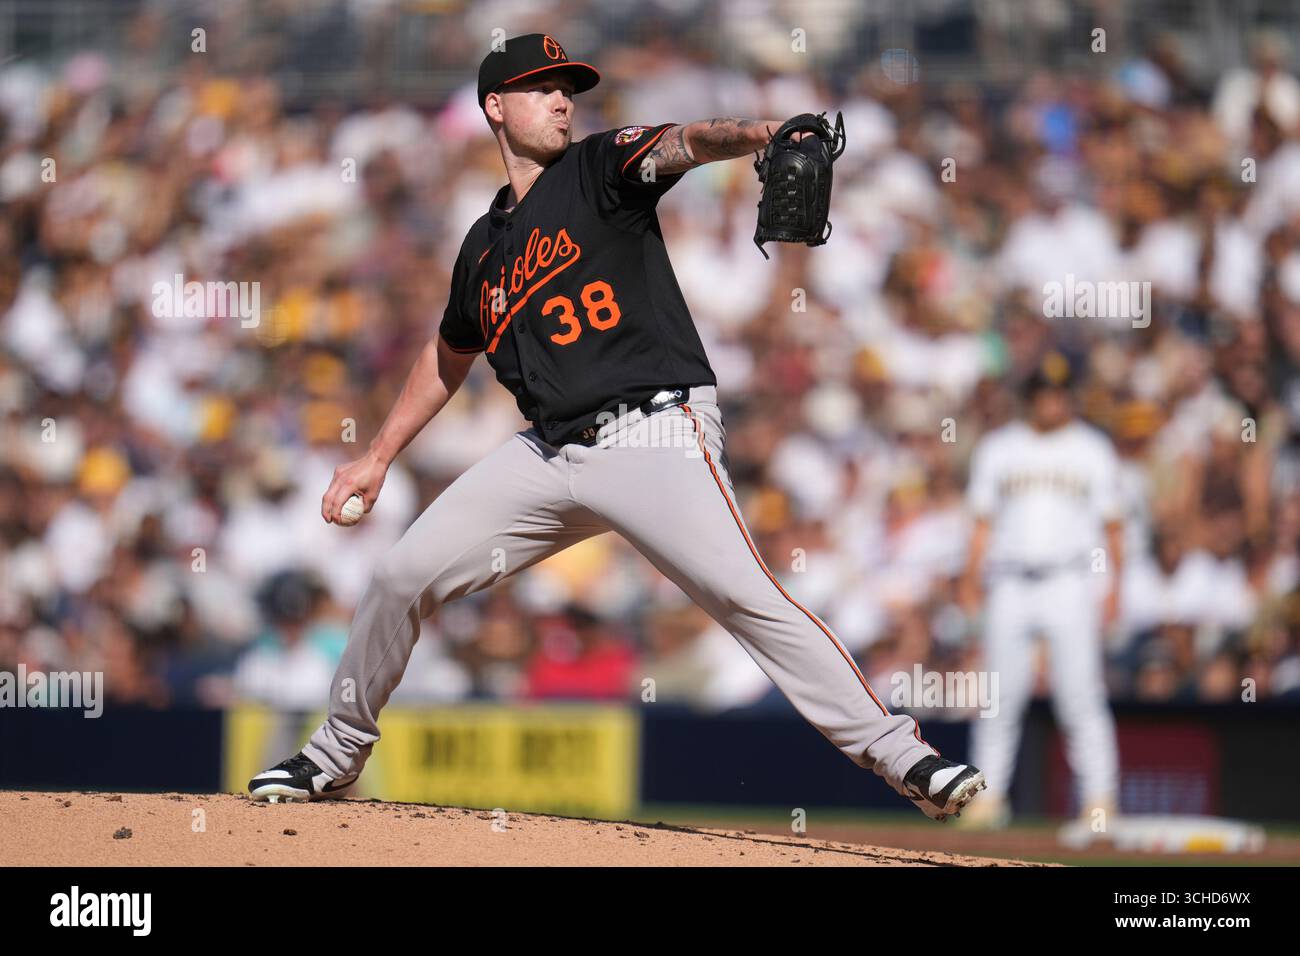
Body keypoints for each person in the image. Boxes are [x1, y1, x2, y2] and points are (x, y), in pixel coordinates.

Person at [248, 33, 985, 822]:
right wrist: (379, 456)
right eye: (542, 87)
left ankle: (905, 755)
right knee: (399, 578)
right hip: (548, 452)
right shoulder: (482, 248)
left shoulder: (598, 169)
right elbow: (447, 354)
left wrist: (761, 136)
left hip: (655, 432)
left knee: (745, 598)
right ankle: (335, 755)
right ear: (495, 106)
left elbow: (686, 143)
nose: (563, 99)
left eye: (569, 87)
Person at [958, 351, 1122, 828]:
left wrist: (1115, 588)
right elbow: (982, 524)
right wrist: (970, 580)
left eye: (1059, 393)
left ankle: (1099, 799)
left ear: (1069, 397)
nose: (1051, 402)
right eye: (1043, 393)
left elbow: (1113, 527)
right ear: (1030, 398)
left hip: (1070, 579)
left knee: (1080, 695)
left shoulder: (1091, 447)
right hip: (1010, 579)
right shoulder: (1000, 447)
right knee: (999, 697)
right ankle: (987, 797)